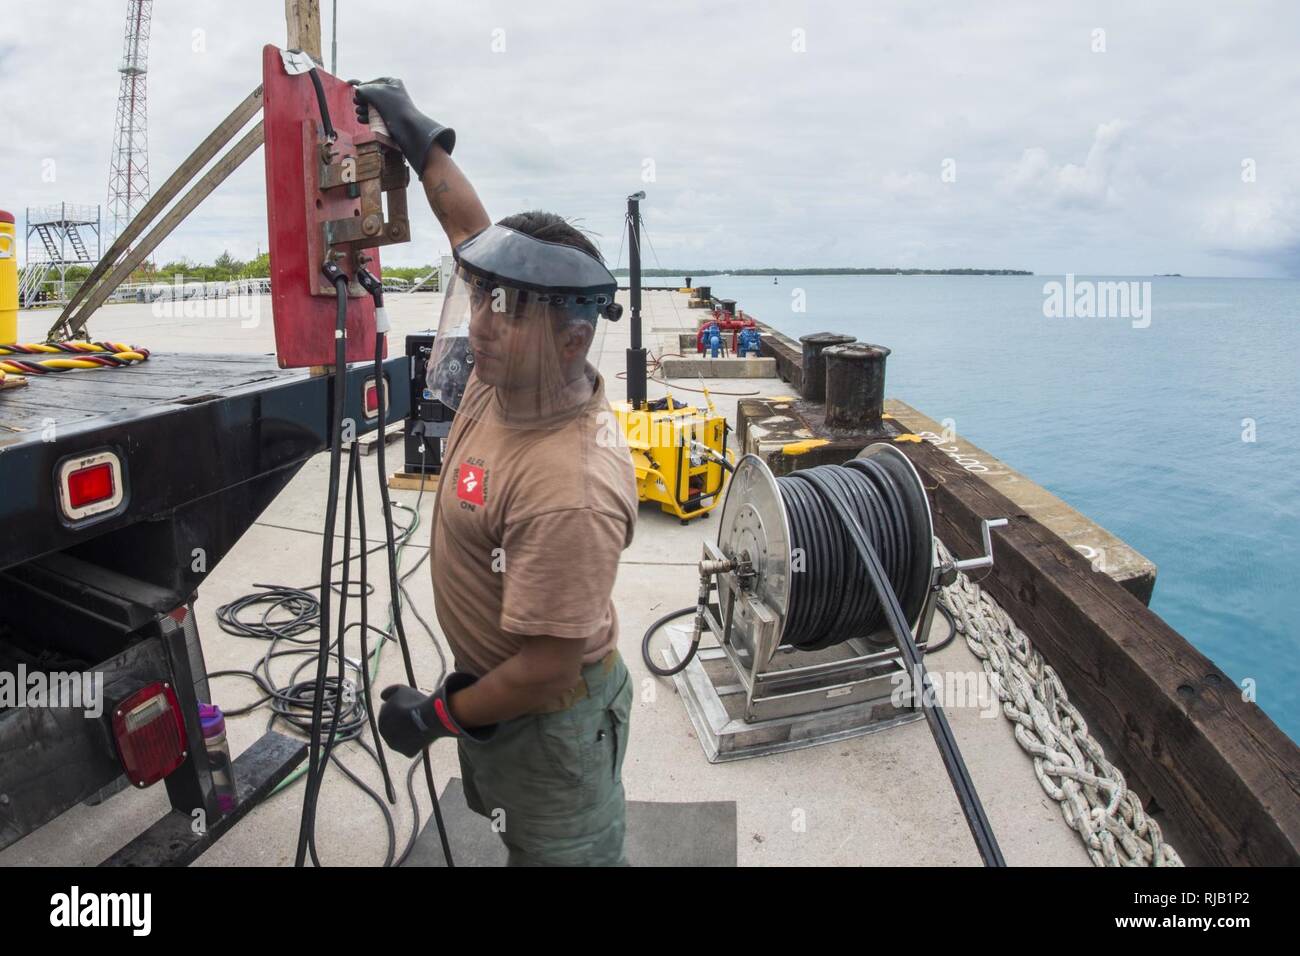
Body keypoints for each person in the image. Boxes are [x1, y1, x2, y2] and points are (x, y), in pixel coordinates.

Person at [354, 79, 638, 866]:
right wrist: (421, 139)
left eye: (504, 308)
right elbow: (469, 229)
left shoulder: (566, 488)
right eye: (479, 298)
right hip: (499, 703)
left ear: (574, 340)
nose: (480, 323)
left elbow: (547, 672)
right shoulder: (506, 370)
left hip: (546, 724)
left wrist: (439, 716)